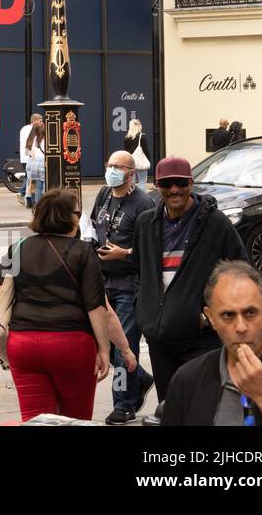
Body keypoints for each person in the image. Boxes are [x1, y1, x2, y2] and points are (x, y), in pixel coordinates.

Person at [134, 155, 249, 407]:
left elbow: (242, 272)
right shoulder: (146, 223)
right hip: (160, 338)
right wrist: (144, 310)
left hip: (201, 340)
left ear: (191, 183)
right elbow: (138, 273)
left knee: (201, 408)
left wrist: (213, 316)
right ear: (157, 185)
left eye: (180, 183)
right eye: (167, 183)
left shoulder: (215, 223)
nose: (174, 189)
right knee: (171, 408)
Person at [0, 188, 113, 421]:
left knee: (36, 420)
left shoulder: (16, 248)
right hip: (70, 345)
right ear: (69, 217)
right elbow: (96, 307)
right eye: (78, 212)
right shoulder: (83, 252)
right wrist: (104, 350)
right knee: (75, 419)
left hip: (23, 344)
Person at [163, 261, 262, 425]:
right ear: (211, 318)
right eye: (228, 315)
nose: (241, 327)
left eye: (250, 312)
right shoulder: (188, 380)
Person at [89, 151, 157, 424]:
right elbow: (94, 226)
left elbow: (151, 249)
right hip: (103, 281)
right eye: (109, 165)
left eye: (118, 167)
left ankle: (124, 404)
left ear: (131, 173)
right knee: (105, 343)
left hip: (129, 284)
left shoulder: (143, 203)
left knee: (123, 346)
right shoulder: (104, 195)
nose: (112, 170)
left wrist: (125, 253)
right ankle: (139, 378)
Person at [17, 113, 42, 205]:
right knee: (30, 178)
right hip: (31, 157)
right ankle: (23, 193)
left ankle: (26, 196)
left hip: (24, 157)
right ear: (35, 120)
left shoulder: (23, 128)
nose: (41, 123)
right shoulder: (34, 130)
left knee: (28, 177)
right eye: (40, 121)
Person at [123, 118, 152, 188]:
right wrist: (148, 159)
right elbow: (146, 150)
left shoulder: (127, 138)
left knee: (132, 181)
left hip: (131, 163)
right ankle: (141, 198)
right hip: (140, 162)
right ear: (139, 126)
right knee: (142, 181)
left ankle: (132, 196)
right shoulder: (142, 136)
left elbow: (126, 151)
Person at [24, 122, 46, 208]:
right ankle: (44, 203)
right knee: (45, 185)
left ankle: (37, 204)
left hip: (34, 164)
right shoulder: (45, 140)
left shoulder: (35, 139)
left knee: (37, 186)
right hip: (43, 164)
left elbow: (29, 152)